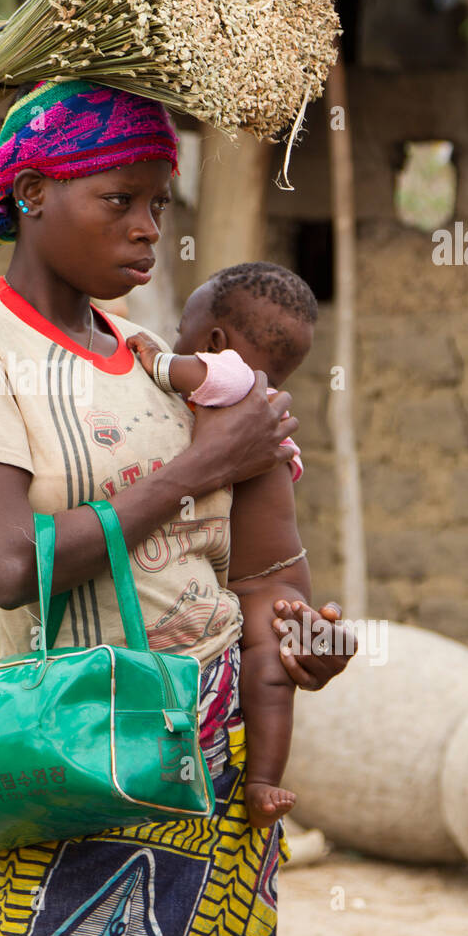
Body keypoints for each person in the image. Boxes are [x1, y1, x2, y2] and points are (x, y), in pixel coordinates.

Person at [0, 78, 354, 936]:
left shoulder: (161, 355)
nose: (151, 228)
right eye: (121, 200)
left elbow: (257, 568)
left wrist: (302, 638)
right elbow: (10, 566)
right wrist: (199, 466)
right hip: (87, 751)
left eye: (160, 202)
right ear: (31, 194)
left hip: (224, 751)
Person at [126, 263, 340, 829]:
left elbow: (189, 373)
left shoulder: (236, 383)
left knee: (272, 676)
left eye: (181, 329)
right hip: (275, 580)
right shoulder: (259, 401)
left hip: (262, 580)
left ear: (216, 343)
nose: (173, 341)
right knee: (271, 679)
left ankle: (265, 779)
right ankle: (266, 779)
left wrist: (152, 359)